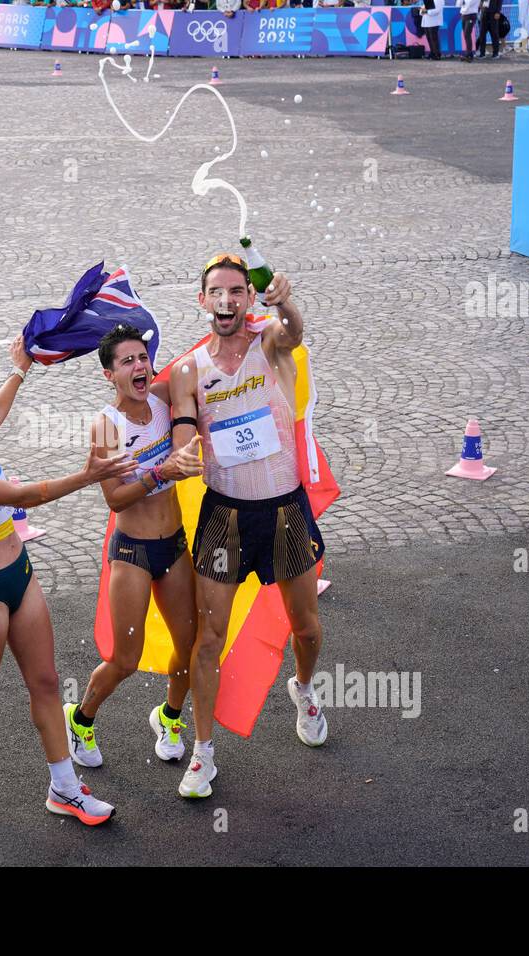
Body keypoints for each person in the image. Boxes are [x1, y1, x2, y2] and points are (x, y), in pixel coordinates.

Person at [0, 338, 136, 825]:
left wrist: (20, 368)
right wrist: (87, 476)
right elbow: (19, 494)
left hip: (20, 576)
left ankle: (64, 786)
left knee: (45, 681)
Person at [167, 255, 327, 799]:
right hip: (225, 517)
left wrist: (283, 298)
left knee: (305, 628)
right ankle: (203, 752)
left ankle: (303, 689)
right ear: (202, 300)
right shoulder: (189, 370)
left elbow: (296, 330)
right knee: (209, 638)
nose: (228, 301)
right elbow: (183, 425)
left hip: (285, 510)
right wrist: (185, 450)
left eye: (238, 291)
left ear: (249, 298)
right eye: (217, 292)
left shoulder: (270, 344)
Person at [63, 326, 204, 769]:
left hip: (175, 546)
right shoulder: (107, 427)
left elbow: (194, 366)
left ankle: (170, 716)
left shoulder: (164, 400)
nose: (139, 366)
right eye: (127, 362)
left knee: (189, 644)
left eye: (142, 357)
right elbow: (114, 498)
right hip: (133, 552)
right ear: (109, 375)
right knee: (125, 658)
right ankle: (81, 719)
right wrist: (160, 473)